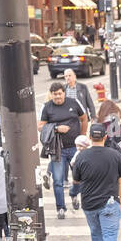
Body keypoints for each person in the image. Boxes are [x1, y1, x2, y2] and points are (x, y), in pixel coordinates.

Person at [39, 82, 89, 220]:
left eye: (60, 94)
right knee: (58, 181)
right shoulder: (48, 107)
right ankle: (60, 207)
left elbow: (84, 118)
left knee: (80, 177)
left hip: (75, 147)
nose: (57, 97)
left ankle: (74, 194)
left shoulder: (73, 103)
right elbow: (40, 126)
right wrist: (56, 128)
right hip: (57, 149)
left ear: (64, 93)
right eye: (55, 95)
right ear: (51, 94)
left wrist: (82, 135)